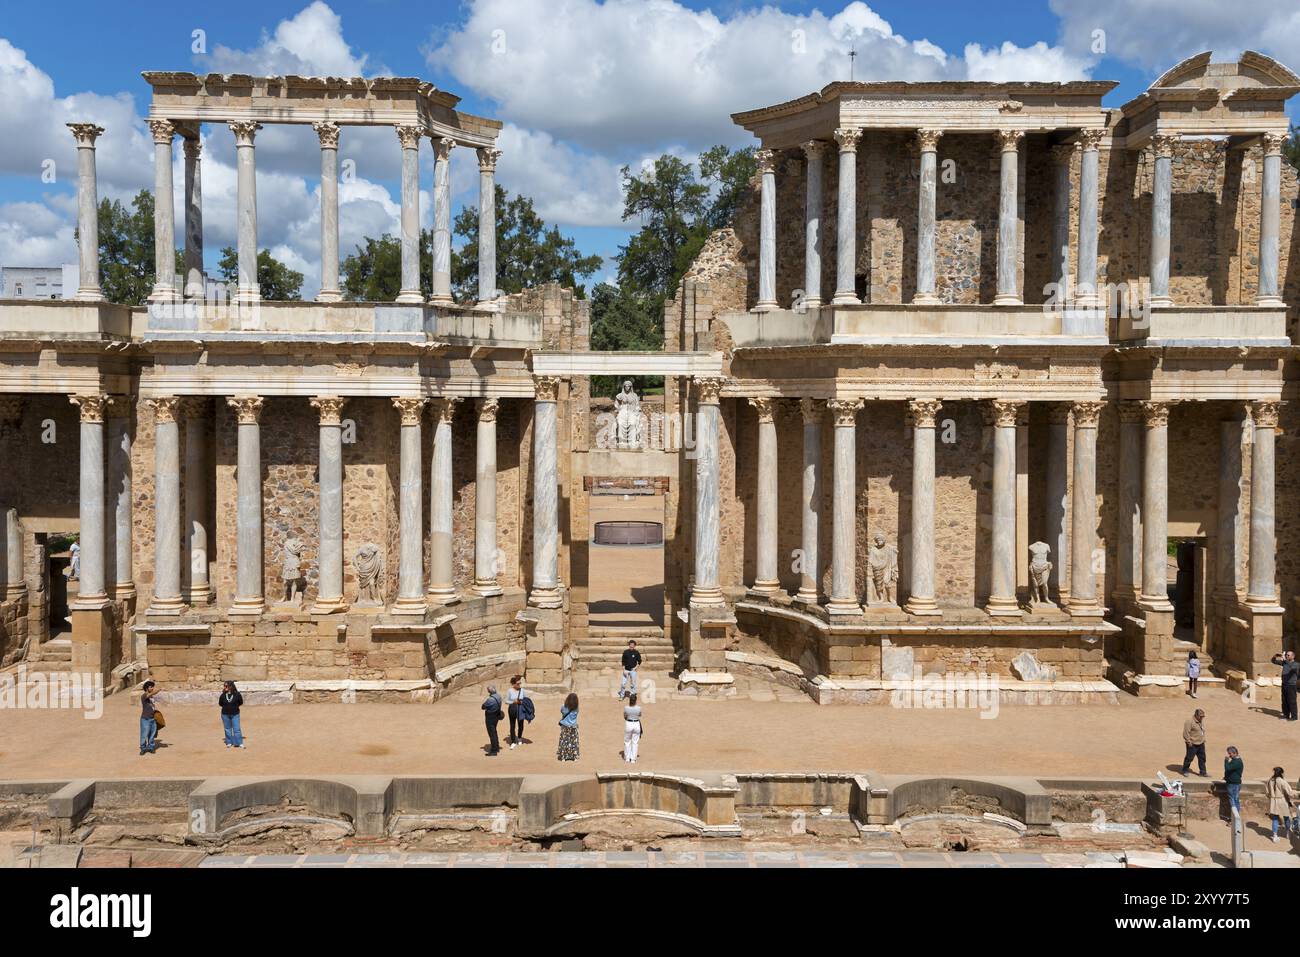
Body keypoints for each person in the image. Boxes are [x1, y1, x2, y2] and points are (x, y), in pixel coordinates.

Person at [1265, 767, 1295, 842]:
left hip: (1273, 801)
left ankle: (1275, 835)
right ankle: (1288, 833)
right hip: (1282, 800)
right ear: (1281, 773)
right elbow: (1289, 792)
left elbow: (1267, 793)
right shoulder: (1282, 781)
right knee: (1286, 817)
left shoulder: (1269, 781)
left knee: (1275, 818)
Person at [1270, 650, 1299, 721]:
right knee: (1284, 701)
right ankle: (1286, 715)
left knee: (1292, 701)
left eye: (1288, 655)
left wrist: (1285, 659)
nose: (1287, 656)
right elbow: (1273, 661)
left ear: (1293, 656)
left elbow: (1291, 667)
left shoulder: (1296, 664)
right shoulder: (1285, 663)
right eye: (1286, 655)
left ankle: (1294, 717)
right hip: (1284, 684)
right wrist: (1275, 656)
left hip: (1291, 685)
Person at [506, 675, 532, 749]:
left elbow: (526, 699)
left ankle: (519, 737)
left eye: (519, 683)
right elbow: (506, 701)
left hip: (520, 709)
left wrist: (522, 701)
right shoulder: (509, 691)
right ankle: (513, 741)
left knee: (520, 724)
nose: (519, 685)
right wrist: (513, 701)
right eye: (517, 684)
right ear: (513, 684)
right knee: (512, 725)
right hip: (512, 709)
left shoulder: (522, 690)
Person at [1180, 709, 1207, 777]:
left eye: (1203, 716)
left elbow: (1201, 731)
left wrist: (1203, 739)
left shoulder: (1200, 721)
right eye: (1200, 716)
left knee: (1202, 758)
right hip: (1192, 744)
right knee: (1189, 758)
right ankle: (1185, 770)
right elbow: (1186, 733)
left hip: (1201, 743)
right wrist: (1188, 742)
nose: (1202, 718)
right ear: (1196, 715)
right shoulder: (1189, 722)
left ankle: (1203, 772)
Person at [220, 680, 245, 749]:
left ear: (231, 686)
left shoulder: (237, 694)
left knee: (236, 729)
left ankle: (239, 743)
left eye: (226, 686)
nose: (225, 687)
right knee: (227, 729)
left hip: (235, 714)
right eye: (224, 686)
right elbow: (220, 703)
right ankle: (229, 742)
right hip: (225, 714)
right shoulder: (223, 695)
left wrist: (234, 707)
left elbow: (240, 702)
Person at [482, 684, 504, 756]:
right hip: (496, 716)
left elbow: (483, 706)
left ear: (489, 691)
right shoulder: (499, 696)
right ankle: (496, 747)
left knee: (492, 733)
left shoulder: (490, 699)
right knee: (494, 731)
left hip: (490, 717)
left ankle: (494, 751)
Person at [557, 693, 580, 761]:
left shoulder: (564, 706)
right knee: (573, 741)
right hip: (573, 726)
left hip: (565, 726)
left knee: (564, 741)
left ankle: (563, 757)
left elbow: (562, 711)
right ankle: (574, 756)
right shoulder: (576, 708)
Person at [139, 680, 159, 756]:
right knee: (144, 734)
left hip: (152, 718)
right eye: (151, 687)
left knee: (152, 734)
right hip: (145, 719)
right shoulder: (144, 696)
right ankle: (143, 748)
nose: (152, 688)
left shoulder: (152, 697)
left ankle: (151, 747)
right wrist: (158, 690)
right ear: (147, 688)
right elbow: (150, 695)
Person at [623, 692, 643, 763]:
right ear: (635, 701)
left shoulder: (626, 708)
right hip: (636, 724)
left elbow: (624, 716)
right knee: (635, 742)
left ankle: (627, 758)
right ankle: (633, 759)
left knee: (627, 741)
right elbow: (640, 715)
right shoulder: (639, 708)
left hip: (629, 723)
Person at [1223, 746, 1244, 815]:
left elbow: (1228, 768)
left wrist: (1226, 761)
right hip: (1232, 783)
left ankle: (1235, 818)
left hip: (1233, 784)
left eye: (1230, 753)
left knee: (1233, 801)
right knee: (1234, 800)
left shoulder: (1237, 762)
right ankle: (1235, 818)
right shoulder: (1235, 760)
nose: (1229, 755)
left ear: (1235, 753)